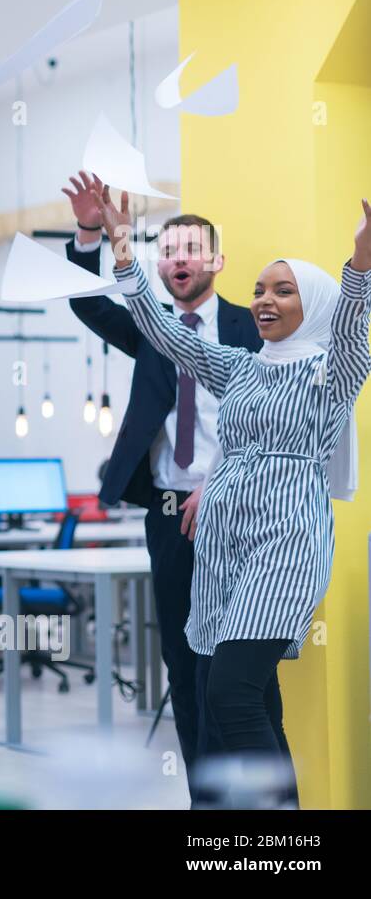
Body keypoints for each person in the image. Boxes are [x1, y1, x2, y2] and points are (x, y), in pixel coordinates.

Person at [90, 180, 371, 804]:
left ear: (315, 303)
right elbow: (169, 338)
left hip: (284, 548)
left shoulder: (331, 369)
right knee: (251, 700)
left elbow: (354, 327)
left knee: (231, 693)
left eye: (283, 290)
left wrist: (361, 263)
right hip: (222, 551)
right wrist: (123, 251)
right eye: (259, 290)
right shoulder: (243, 366)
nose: (264, 301)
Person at [60, 170, 261, 786]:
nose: (179, 260)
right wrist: (91, 230)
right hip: (170, 510)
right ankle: (206, 799)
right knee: (180, 654)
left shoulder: (253, 328)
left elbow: (268, 422)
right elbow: (88, 302)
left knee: (228, 664)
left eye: (192, 250)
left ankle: (244, 802)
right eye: (168, 251)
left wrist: (224, 482)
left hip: (236, 510)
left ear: (218, 260)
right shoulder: (149, 328)